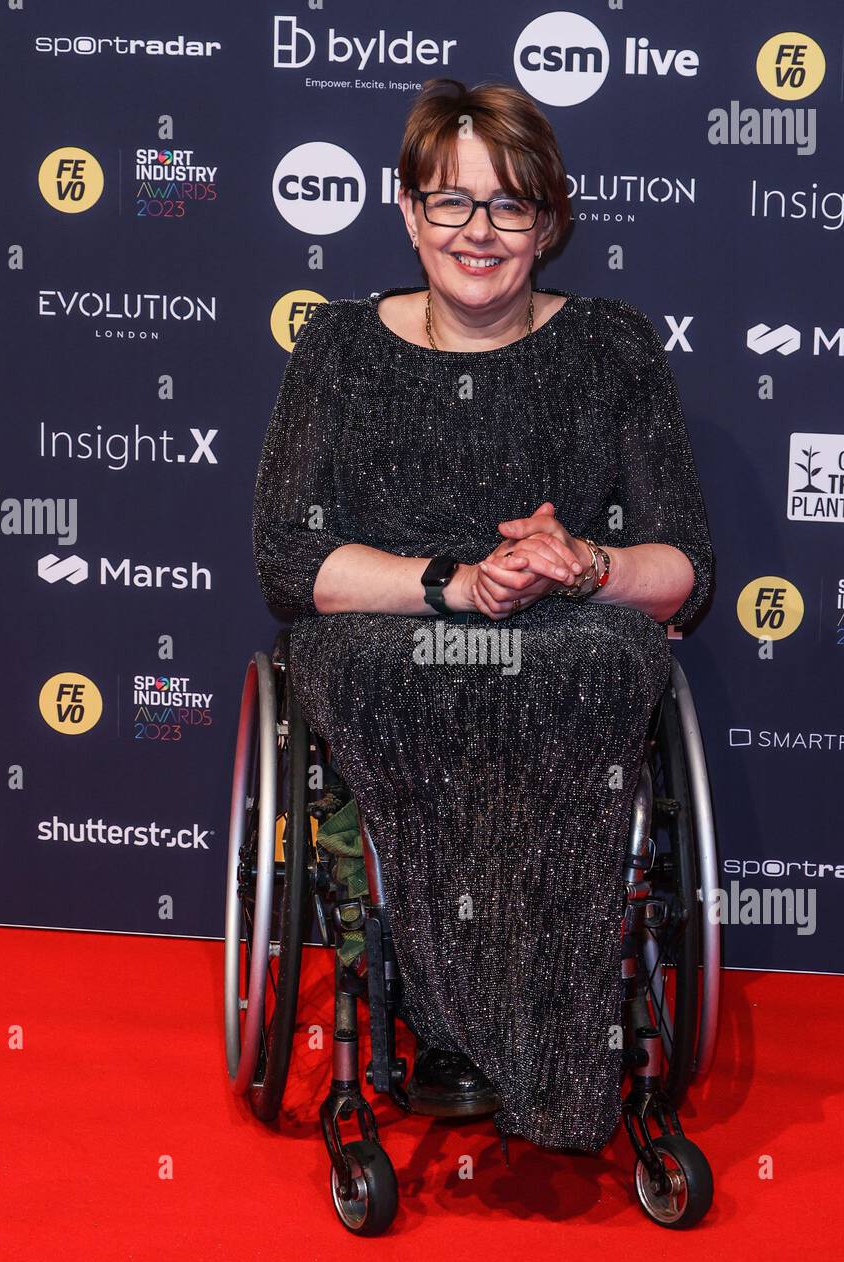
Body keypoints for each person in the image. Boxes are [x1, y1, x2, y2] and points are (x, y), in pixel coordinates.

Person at [252, 77, 714, 1155]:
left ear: (548, 222)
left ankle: (543, 1041)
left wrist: (583, 561)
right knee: (399, 672)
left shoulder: (611, 347)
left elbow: (686, 566)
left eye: (508, 205)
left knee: (594, 667)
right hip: (388, 631)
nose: (478, 231)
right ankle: (454, 1022)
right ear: (408, 212)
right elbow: (291, 562)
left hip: (568, 631)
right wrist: (453, 582)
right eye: (450, 202)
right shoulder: (338, 349)